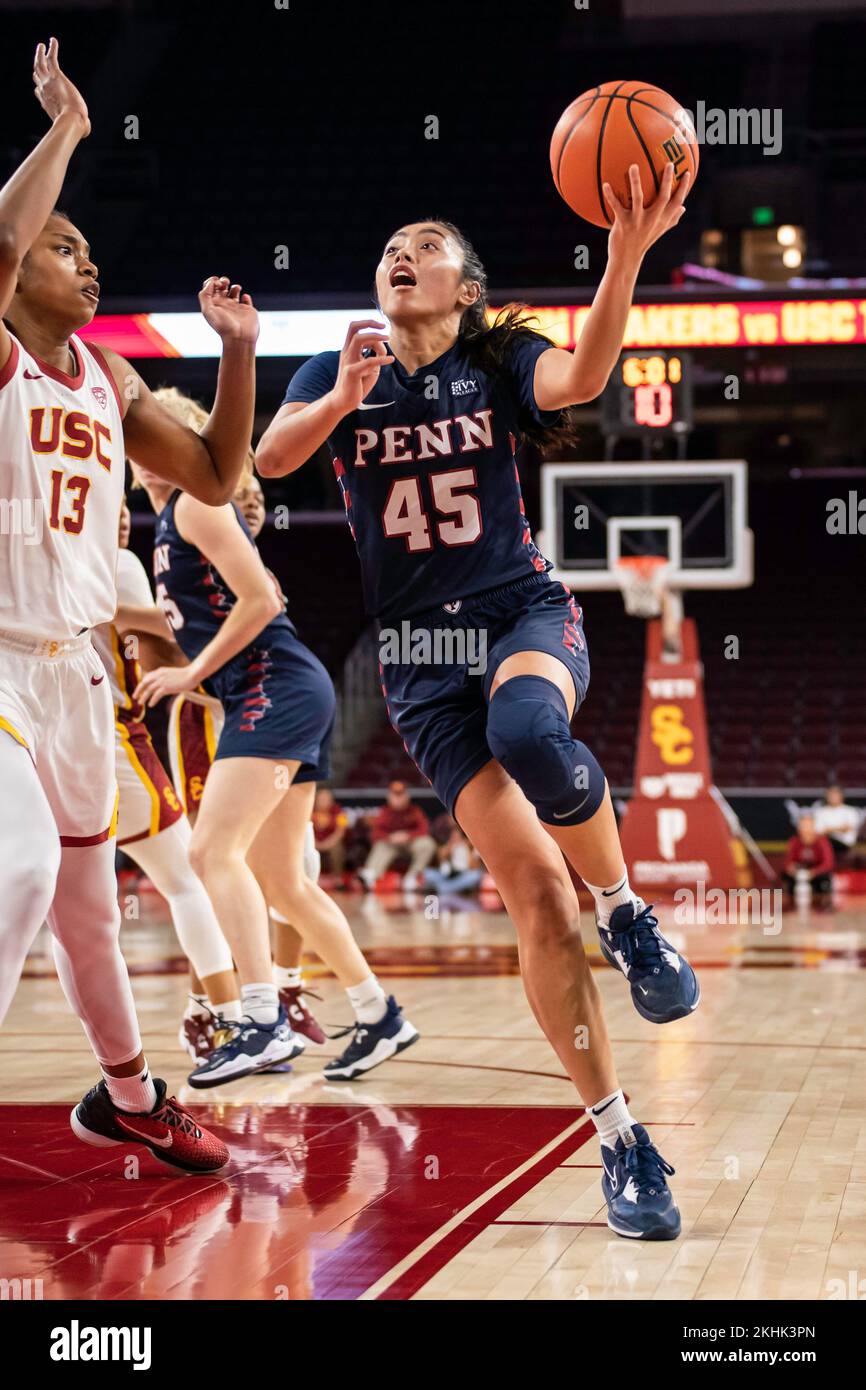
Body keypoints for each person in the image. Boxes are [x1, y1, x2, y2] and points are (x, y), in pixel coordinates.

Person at [257, 172, 696, 1240]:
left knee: (530, 730)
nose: (399, 254)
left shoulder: (495, 360)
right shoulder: (338, 370)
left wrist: (625, 248)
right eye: (389, 245)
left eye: (425, 244)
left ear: (466, 288)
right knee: (535, 904)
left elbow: (587, 371)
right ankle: (620, 1138)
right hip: (414, 661)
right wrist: (338, 401)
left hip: (516, 612)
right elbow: (269, 462)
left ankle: (629, 914)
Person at [0, 38, 256, 1171]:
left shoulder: (107, 379)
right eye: (66, 248)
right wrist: (66, 132)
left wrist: (238, 353)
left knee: (91, 907)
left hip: (75, 673)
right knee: (15, 866)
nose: (85, 264)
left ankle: (130, 1094)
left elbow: (213, 472)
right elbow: (2, 235)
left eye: (93, 251)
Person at [131, 403, 419, 1085]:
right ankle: (378, 1013)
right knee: (284, 880)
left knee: (209, 851)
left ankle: (261, 1023)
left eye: (147, 432)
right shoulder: (173, 523)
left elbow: (262, 601)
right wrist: (202, 681)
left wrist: (190, 673)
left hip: (277, 684)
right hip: (273, 687)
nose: (137, 446)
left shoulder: (197, 506)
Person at [92, 498, 239, 1058]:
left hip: (46, 732)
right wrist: (219, 618)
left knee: (69, 902)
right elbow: (164, 651)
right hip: (108, 734)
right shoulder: (121, 563)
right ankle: (224, 1019)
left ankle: (207, 1015)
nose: (122, 510)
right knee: (190, 880)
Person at [360, 779, 437, 889]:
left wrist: (408, 835)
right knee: (381, 845)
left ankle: (413, 877)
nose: (398, 798)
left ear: (407, 796)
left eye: (401, 795)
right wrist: (390, 837)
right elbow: (376, 832)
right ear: (389, 797)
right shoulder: (385, 812)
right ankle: (370, 876)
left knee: (427, 843)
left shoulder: (415, 811)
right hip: (392, 844)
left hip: (411, 843)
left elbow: (424, 829)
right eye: (395, 795)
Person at [781, 815, 834, 911]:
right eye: (803, 826)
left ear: (814, 827)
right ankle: (791, 906)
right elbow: (787, 862)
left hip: (816, 873)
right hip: (799, 872)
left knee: (825, 878)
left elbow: (828, 863)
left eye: (808, 826)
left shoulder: (822, 841)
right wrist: (791, 869)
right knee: (786, 877)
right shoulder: (794, 841)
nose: (805, 830)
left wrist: (813, 872)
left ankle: (823, 906)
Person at [423, 825, 484, 898]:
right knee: (427, 873)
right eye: (453, 836)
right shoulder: (450, 846)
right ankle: (449, 888)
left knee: (476, 876)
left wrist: (467, 847)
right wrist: (450, 846)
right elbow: (440, 858)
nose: (455, 838)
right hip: (448, 875)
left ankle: (445, 888)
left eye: (457, 836)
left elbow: (473, 867)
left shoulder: (470, 847)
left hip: (463, 875)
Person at [813, 785, 861, 864]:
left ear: (841, 796)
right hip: (824, 844)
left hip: (844, 844)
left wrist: (828, 829)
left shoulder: (850, 811)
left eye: (836, 794)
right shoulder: (820, 812)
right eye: (831, 794)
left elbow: (848, 828)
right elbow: (818, 831)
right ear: (827, 796)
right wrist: (839, 829)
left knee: (827, 841)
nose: (833, 797)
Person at [313, 786, 350, 877]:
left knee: (337, 849)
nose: (323, 801)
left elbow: (341, 831)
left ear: (331, 800)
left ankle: (338, 878)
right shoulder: (309, 810)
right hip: (313, 841)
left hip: (331, 842)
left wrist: (328, 844)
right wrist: (315, 843)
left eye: (326, 799)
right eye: (321, 799)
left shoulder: (340, 811)